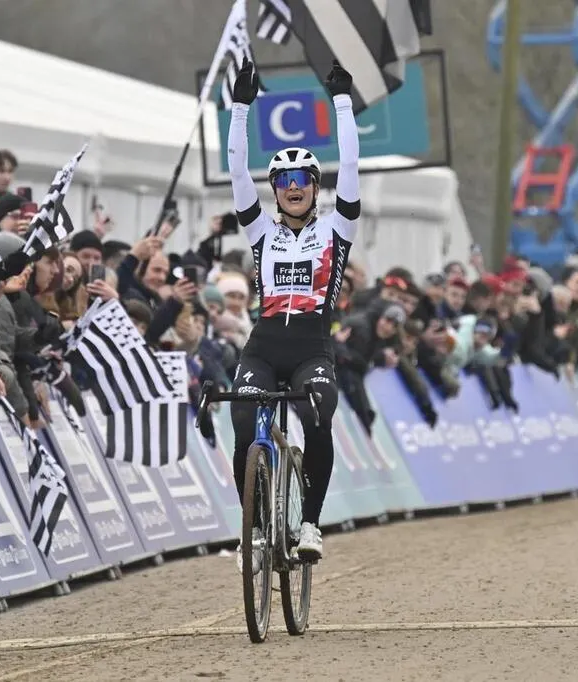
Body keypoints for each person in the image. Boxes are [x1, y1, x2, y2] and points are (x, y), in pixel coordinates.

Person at [222, 57, 359, 571]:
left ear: (315, 187)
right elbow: (237, 169)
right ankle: (254, 532)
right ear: (275, 189)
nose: (294, 184)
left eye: (303, 177)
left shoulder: (336, 229)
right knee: (242, 422)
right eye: (284, 178)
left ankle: (310, 524)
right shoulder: (261, 232)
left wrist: (341, 103)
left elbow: (351, 166)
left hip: (311, 348)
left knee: (316, 416)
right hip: (263, 346)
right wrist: (240, 108)